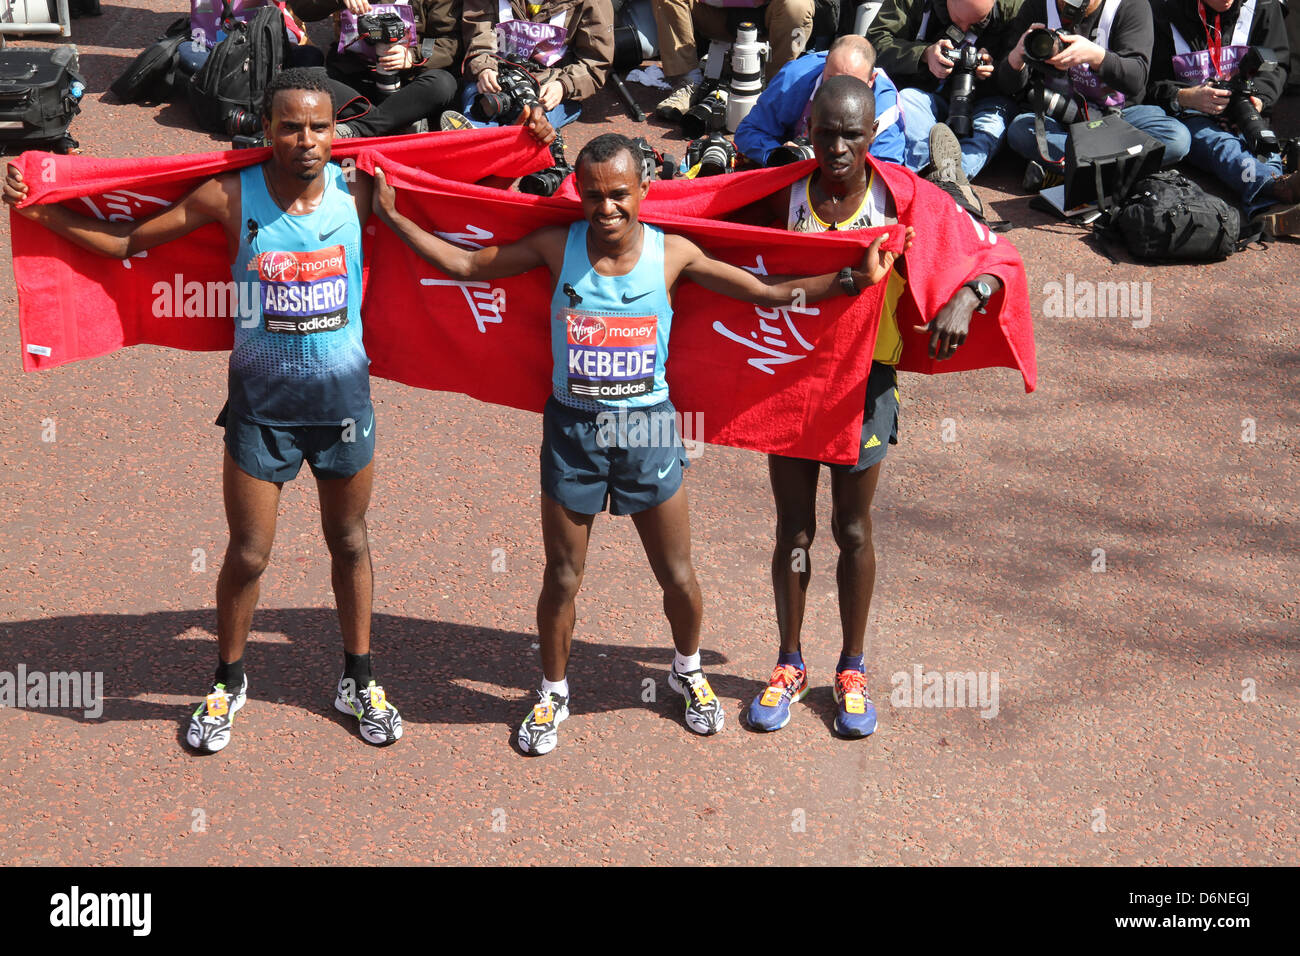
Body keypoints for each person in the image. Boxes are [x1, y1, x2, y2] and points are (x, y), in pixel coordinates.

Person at [369, 131, 901, 755]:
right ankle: (553, 692)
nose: (607, 208)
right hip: (573, 431)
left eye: (620, 194)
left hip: (647, 428)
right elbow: (465, 265)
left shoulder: (672, 254)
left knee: (676, 575)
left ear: (645, 190)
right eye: (593, 195)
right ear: (579, 193)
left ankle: (688, 670)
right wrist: (391, 216)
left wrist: (850, 282)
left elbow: (764, 293)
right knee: (563, 577)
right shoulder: (553, 245)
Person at [4, 69, 406, 752]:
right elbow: (132, 241)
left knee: (350, 541)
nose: (306, 140)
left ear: (336, 131)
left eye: (319, 126)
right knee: (249, 555)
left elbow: (468, 195)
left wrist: (528, 142)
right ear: (266, 126)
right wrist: (40, 211)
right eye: (290, 126)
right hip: (261, 409)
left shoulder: (362, 190)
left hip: (344, 407)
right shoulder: (228, 195)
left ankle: (359, 679)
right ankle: (227, 679)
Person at [731, 75, 1011, 738]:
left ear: (873, 135)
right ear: (808, 131)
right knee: (793, 530)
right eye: (824, 134)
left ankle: (852, 669)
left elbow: (995, 255)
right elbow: (702, 225)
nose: (835, 148)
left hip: (865, 386)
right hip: (794, 385)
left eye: (850, 136)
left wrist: (967, 299)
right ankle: (789, 663)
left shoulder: (900, 198)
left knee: (852, 531)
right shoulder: (786, 196)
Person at [997, 0, 1193, 190]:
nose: (1068, 4)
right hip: (1059, 118)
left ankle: (1073, 174)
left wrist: (1096, 56)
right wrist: (1018, 56)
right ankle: (1118, 177)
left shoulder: (1130, 5)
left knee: (1177, 138)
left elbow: (1136, 79)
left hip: (1119, 117)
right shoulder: (1038, 6)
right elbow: (1008, 85)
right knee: (1021, 131)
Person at [1149, 0, 1299, 236]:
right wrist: (1185, 96)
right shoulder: (1162, 9)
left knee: (1258, 134)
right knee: (1220, 143)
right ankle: (1274, 190)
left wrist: (1258, 98)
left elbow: (1277, 65)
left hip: (1244, 101)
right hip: (1191, 110)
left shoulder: (1264, 6)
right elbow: (1147, 80)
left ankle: (1274, 196)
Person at [870, 0, 1025, 180]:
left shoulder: (1015, 9)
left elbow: (1021, 78)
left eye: (978, 22)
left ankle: (949, 180)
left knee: (991, 128)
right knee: (906, 100)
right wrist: (923, 54)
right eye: (958, 20)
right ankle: (919, 173)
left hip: (985, 101)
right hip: (926, 93)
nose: (964, 29)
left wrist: (996, 68)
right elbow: (875, 44)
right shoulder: (913, 3)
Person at [291, 0, 465, 138]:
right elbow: (302, 9)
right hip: (355, 83)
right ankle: (399, 124)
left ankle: (359, 128)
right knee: (302, 80)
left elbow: (449, 40)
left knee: (443, 84)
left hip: (408, 88)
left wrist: (413, 56)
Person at [734, 34, 907, 167]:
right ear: (825, 65)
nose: (840, 94)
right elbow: (749, 131)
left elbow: (887, 174)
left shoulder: (886, 113)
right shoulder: (793, 79)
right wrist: (778, 155)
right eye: (832, 79)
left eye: (852, 84)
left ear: (872, 80)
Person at [460, 0, 613, 130]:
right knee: (478, 112)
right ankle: (473, 138)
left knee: (531, 127)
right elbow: (479, 32)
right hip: (498, 75)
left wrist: (564, 85)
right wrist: (484, 67)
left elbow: (595, 61)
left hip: (547, 86)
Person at [652, 0, 818, 119]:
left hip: (771, 14)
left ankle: (776, 89)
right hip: (713, 13)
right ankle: (689, 81)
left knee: (798, 5)